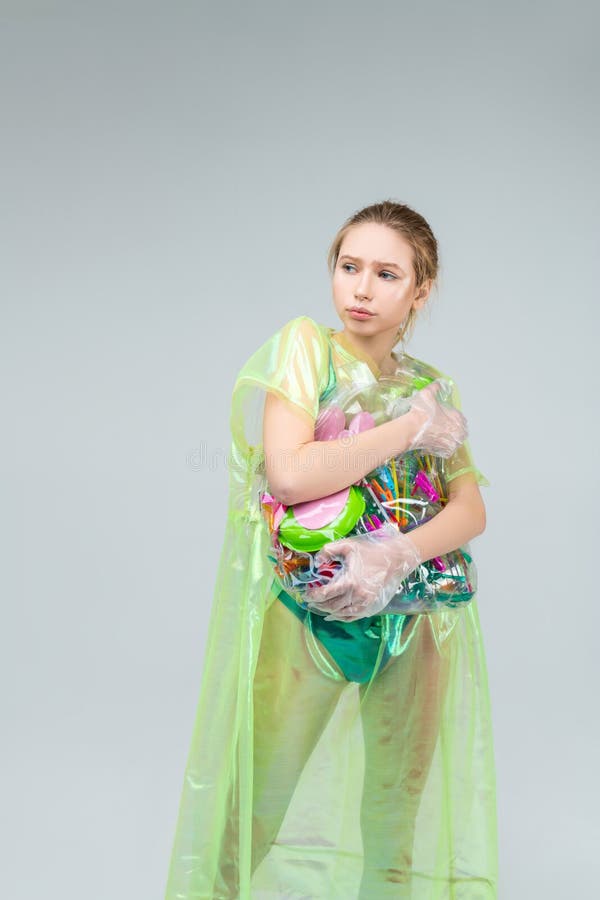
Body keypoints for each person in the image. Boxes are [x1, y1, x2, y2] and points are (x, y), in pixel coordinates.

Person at [164, 200, 498, 899]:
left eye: (386, 273)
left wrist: (397, 554)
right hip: (312, 616)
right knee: (255, 811)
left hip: (411, 624)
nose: (362, 289)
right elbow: (289, 473)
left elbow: (471, 510)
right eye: (349, 267)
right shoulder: (306, 349)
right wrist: (409, 432)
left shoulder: (431, 388)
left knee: (393, 823)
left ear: (420, 290)